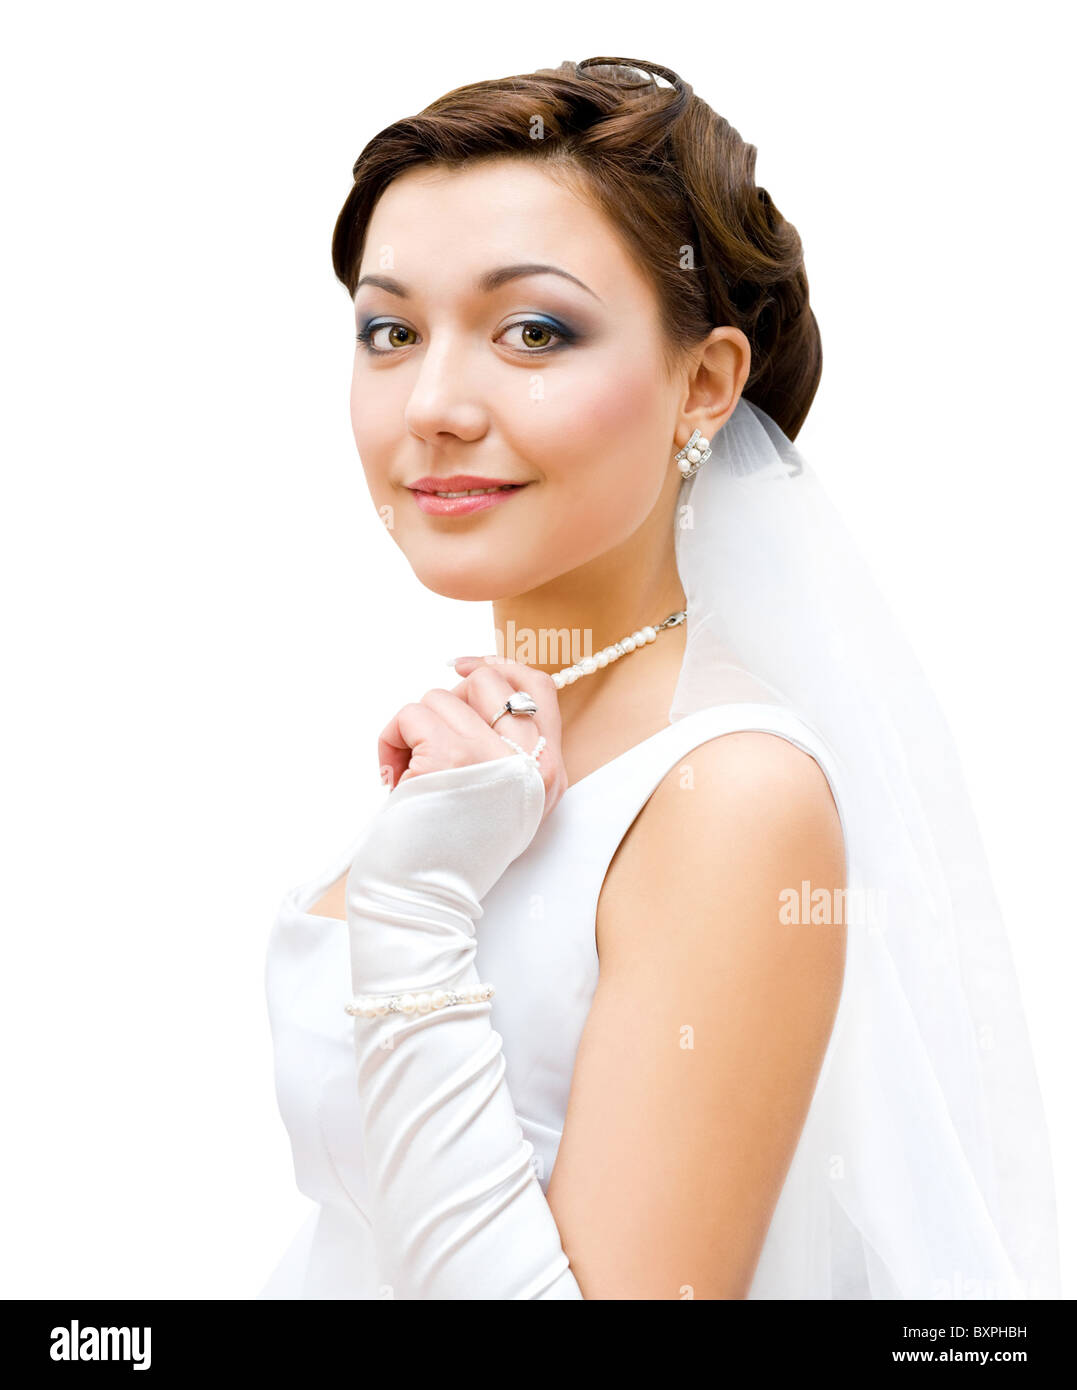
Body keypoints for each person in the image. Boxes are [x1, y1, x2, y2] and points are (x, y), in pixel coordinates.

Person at [258, 56, 1060, 1300]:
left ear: (705, 383)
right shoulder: (486, 741)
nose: (432, 402)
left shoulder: (731, 799)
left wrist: (416, 912)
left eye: (534, 329)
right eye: (390, 330)